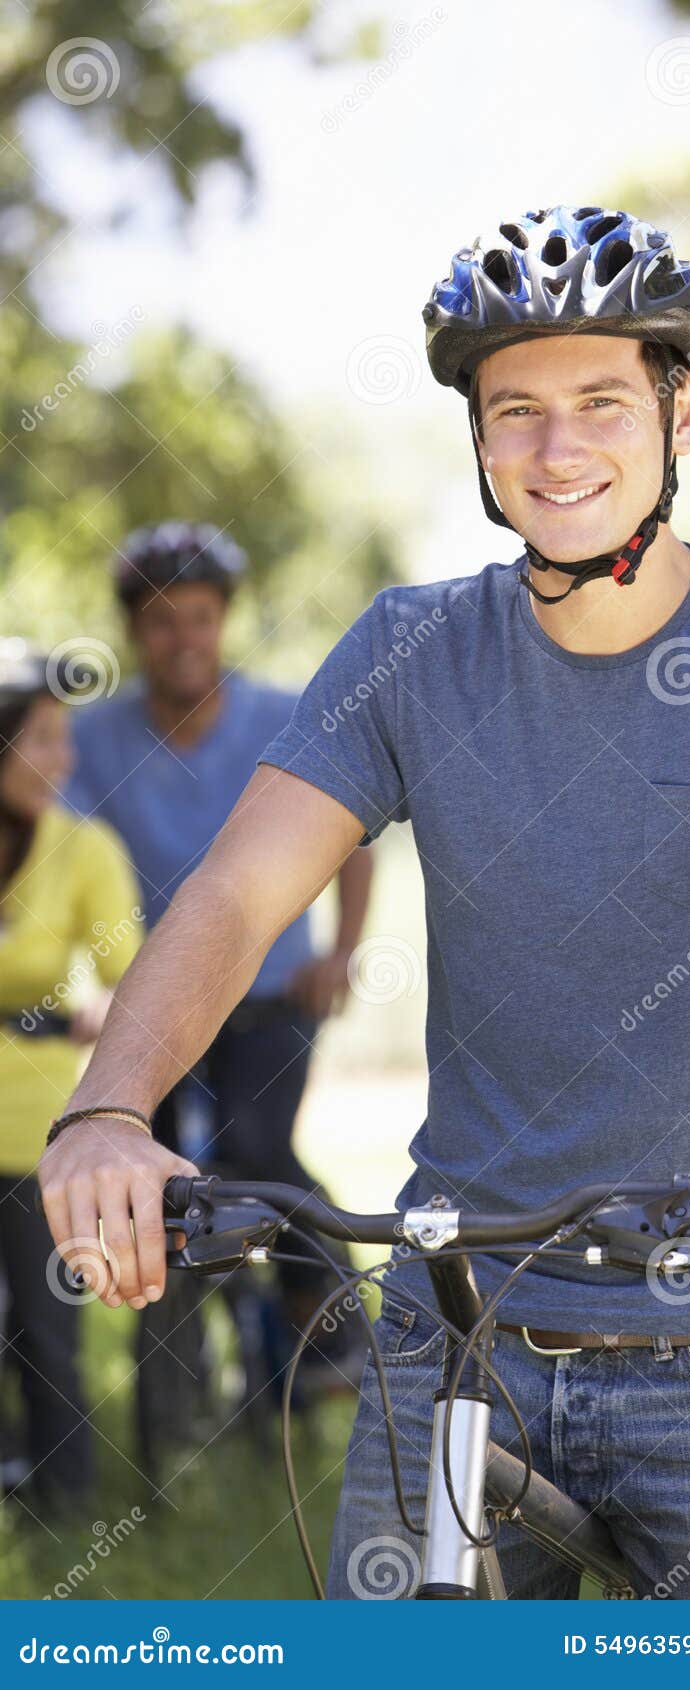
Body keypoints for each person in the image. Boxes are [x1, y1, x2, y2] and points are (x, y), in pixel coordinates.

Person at [38, 205, 690, 1599]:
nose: (554, 447)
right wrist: (108, 1109)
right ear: (473, 437)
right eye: (512, 409)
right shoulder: (410, 651)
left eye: (597, 401)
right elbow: (232, 893)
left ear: (678, 411)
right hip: (455, 1334)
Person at [60, 523, 373, 1380]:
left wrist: (338, 955)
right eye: (162, 622)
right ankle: (178, 1372)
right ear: (134, 633)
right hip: (156, 1005)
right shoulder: (94, 739)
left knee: (258, 1151)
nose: (182, 639)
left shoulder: (280, 714)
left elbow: (356, 839)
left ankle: (332, 1333)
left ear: (223, 621)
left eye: (199, 617)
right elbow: (59, 850)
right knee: (156, 1175)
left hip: (272, 992)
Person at [0, 639, 141, 1517]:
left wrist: (103, 1010)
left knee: (47, 1332)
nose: (64, 758)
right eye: (43, 738)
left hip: (34, 1124)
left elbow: (137, 975)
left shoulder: (84, 847)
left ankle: (68, 1507)